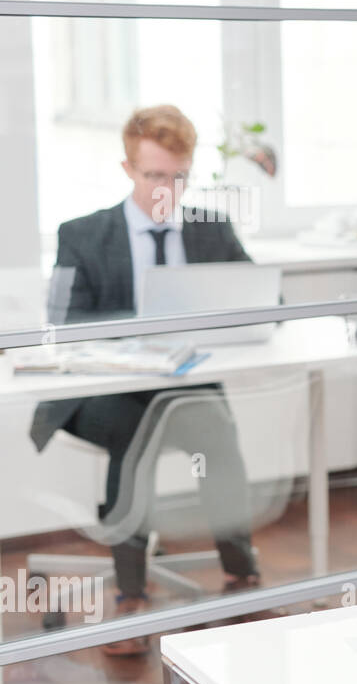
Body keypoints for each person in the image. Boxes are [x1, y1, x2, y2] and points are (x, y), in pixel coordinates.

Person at [29, 105, 261, 654]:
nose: (166, 189)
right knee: (135, 431)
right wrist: (133, 338)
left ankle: (242, 575)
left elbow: (257, 297)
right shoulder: (82, 235)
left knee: (217, 433)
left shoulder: (211, 228)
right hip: (100, 390)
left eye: (178, 177)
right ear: (128, 168)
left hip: (182, 383)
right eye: (154, 175)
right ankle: (131, 595)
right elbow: (62, 322)